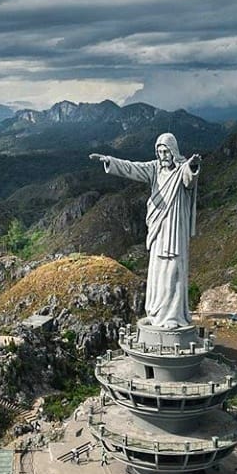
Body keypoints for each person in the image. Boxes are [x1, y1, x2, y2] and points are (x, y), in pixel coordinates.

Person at [90, 133, 200, 328]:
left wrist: (192, 166)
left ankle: (173, 316)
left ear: (174, 151)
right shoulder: (154, 169)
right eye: (160, 151)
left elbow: (189, 180)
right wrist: (110, 161)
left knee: (173, 270)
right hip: (158, 229)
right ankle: (157, 312)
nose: (163, 155)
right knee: (157, 270)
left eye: (166, 151)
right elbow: (132, 168)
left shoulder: (182, 169)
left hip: (175, 229)